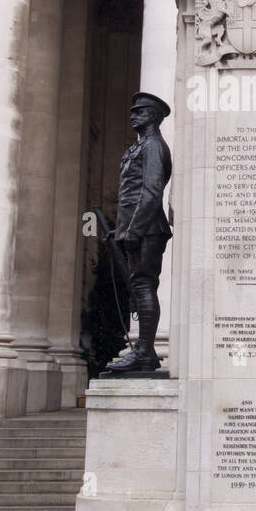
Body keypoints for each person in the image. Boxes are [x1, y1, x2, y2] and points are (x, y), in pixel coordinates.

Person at [104, 93, 172, 373]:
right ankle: (145, 351)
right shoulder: (140, 147)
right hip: (134, 227)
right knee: (139, 285)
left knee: (144, 285)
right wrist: (120, 230)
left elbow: (152, 191)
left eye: (140, 111)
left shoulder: (154, 146)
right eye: (133, 111)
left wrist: (133, 229)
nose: (133, 115)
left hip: (146, 228)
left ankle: (144, 351)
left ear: (153, 116)